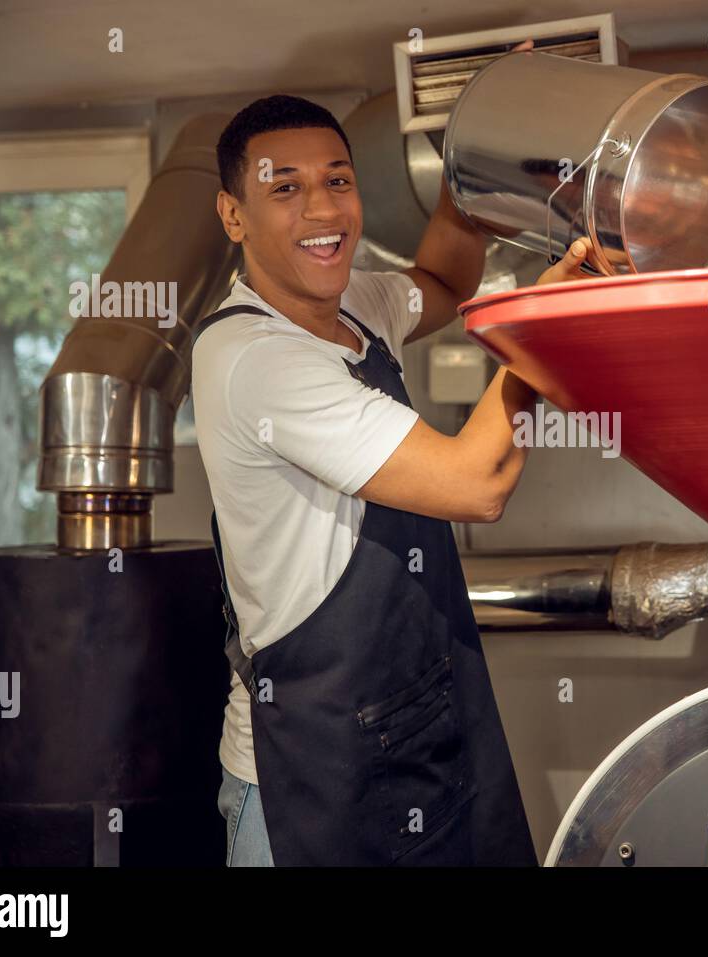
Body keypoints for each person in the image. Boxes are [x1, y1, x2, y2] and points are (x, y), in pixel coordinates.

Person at [193, 93, 594, 866]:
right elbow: (478, 483)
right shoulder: (256, 359)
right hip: (305, 777)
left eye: (338, 181)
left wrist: (470, 156)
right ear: (232, 213)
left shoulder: (355, 307)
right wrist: (548, 326)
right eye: (285, 187)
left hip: (411, 736)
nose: (322, 207)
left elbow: (443, 275)